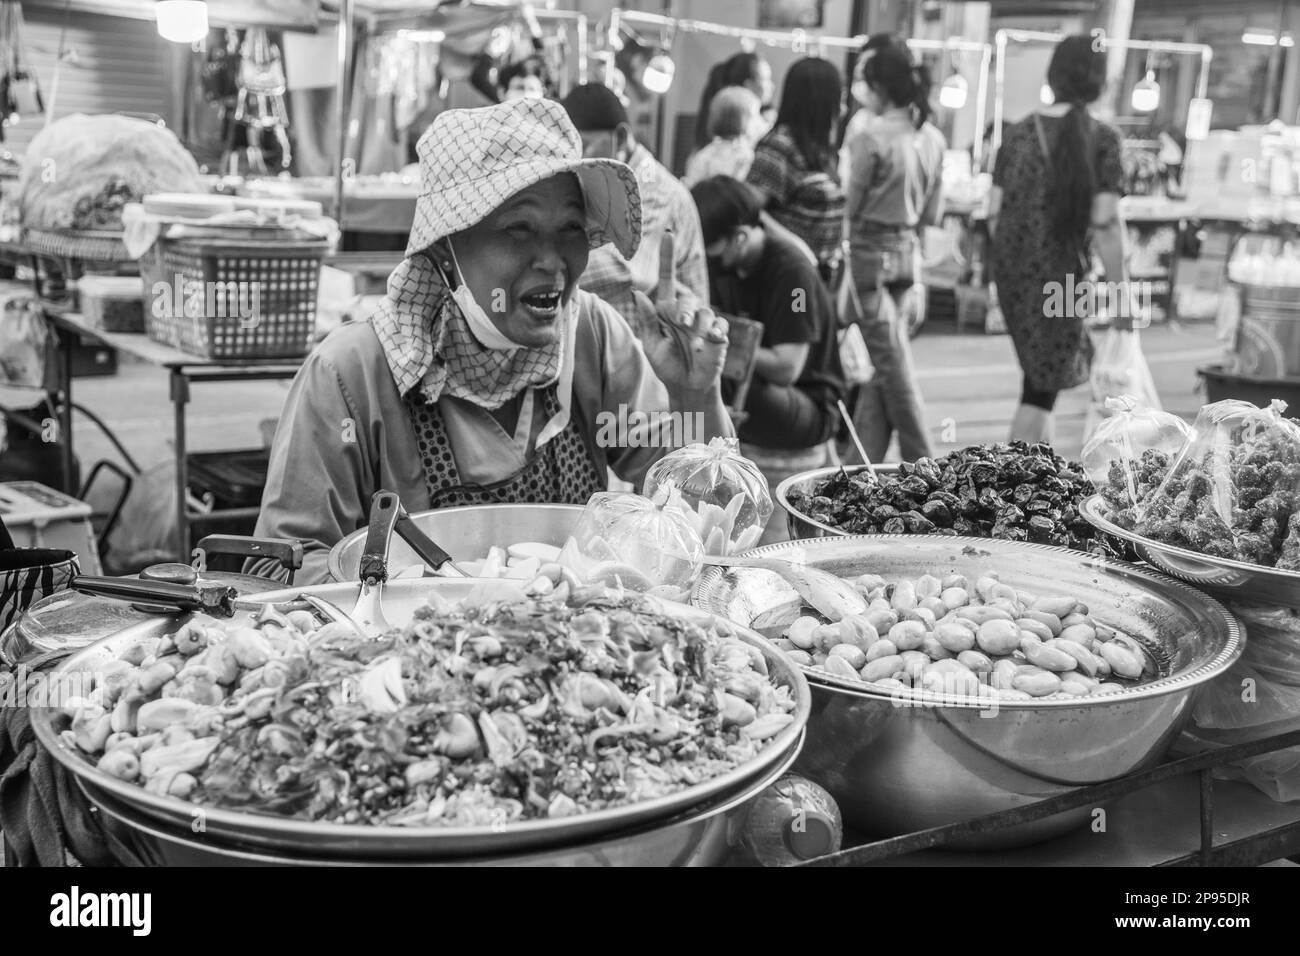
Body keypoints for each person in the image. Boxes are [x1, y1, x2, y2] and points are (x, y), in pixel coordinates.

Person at [251, 98, 731, 583]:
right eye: (518, 228)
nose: (552, 260)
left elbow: (700, 523)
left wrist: (696, 393)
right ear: (445, 246)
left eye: (569, 228)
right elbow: (282, 565)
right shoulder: (353, 374)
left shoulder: (593, 337)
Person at [989, 34, 1128, 445]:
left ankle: (1035, 481)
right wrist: (1122, 295)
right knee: (1040, 391)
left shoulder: (1016, 134)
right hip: (1064, 282)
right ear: (1100, 82)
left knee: (1038, 382)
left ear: (1054, 74)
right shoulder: (1102, 138)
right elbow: (1105, 222)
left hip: (1013, 279)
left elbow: (993, 212)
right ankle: (1008, 481)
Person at [692, 175, 845, 538]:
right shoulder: (729, 266)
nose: (708, 260)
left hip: (807, 404)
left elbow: (787, 367)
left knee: (725, 391)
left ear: (740, 237)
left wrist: (728, 346)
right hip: (760, 391)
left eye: (713, 249)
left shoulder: (795, 278)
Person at [842, 36, 945, 464]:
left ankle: (927, 462)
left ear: (879, 88)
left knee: (895, 371)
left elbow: (849, 207)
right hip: (908, 256)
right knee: (888, 366)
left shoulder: (871, 138)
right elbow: (933, 214)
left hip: (868, 255)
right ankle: (857, 466)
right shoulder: (933, 140)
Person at [561, 83, 710, 339]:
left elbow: (622, 269)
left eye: (583, 144)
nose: (573, 157)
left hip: (673, 346)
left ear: (620, 137)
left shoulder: (656, 191)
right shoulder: (601, 181)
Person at [746, 57, 847, 287]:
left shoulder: (816, 149)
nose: (842, 108)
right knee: (796, 317)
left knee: (808, 321)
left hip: (816, 279)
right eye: (838, 98)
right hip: (792, 283)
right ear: (819, 100)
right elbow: (747, 209)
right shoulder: (780, 147)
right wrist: (797, 248)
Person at [682, 86, 764, 188]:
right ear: (740, 120)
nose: (761, 122)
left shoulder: (702, 155)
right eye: (755, 115)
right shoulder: (747, 157)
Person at [693, 52, 775, 150]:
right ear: (749, 85)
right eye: (766, 79)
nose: (772, 86)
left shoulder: (706, 147)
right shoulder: (754, 126)